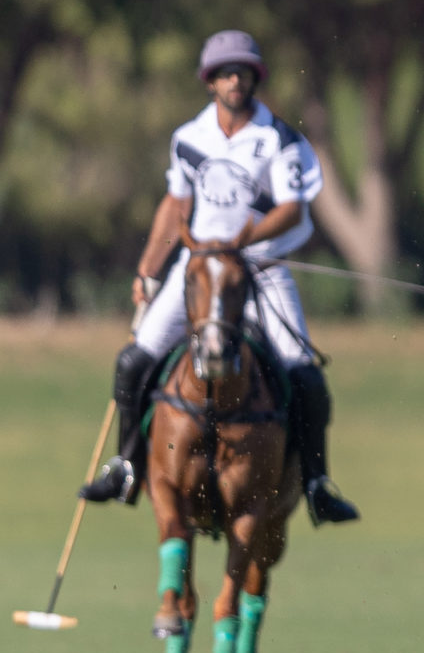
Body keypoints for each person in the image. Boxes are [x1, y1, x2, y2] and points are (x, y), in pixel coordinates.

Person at [76, 30, 360, 525]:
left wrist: (241, 242)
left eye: (244, 72)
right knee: (132, 362)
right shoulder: (189, 138)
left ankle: (316, 482)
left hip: (261, 272)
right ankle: (127, 464)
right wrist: (148, 268)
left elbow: (293, 211)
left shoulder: (280, 140)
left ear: (255, 79)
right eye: (226, 72)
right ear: (210, 81)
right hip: (200, 275)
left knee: (305, 375)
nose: (235, 80)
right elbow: (176, 204)